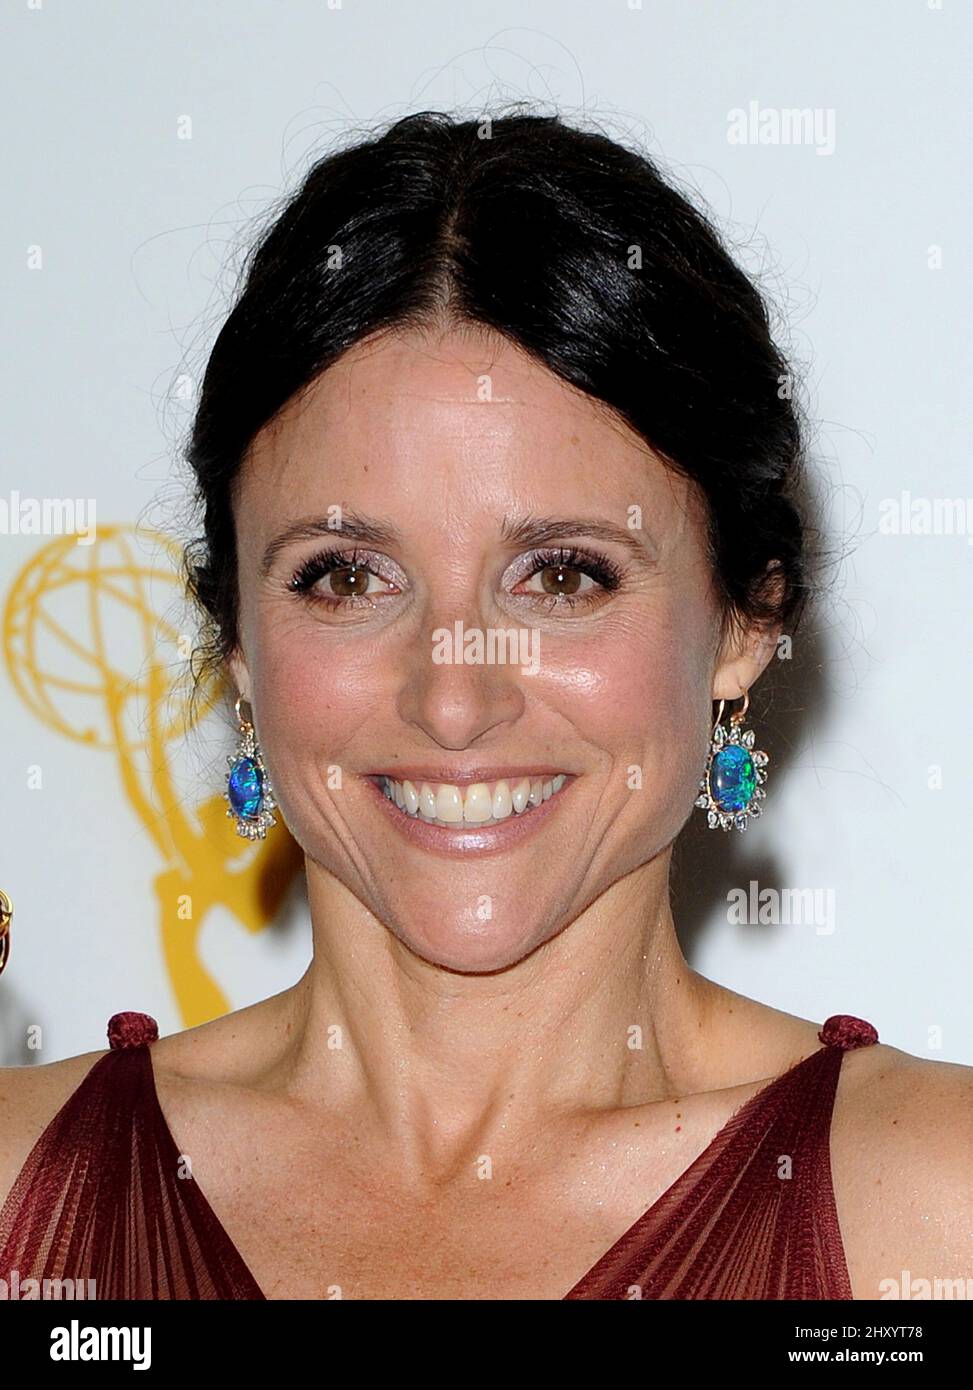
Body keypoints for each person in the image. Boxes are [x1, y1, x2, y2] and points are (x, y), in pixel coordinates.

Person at [1, 110, 970, 1301]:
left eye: (563, 575)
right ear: (237, 640)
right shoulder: (19, 1199)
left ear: (741, 622)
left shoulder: (935, 1211)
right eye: (347, 577)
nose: (452, 697)